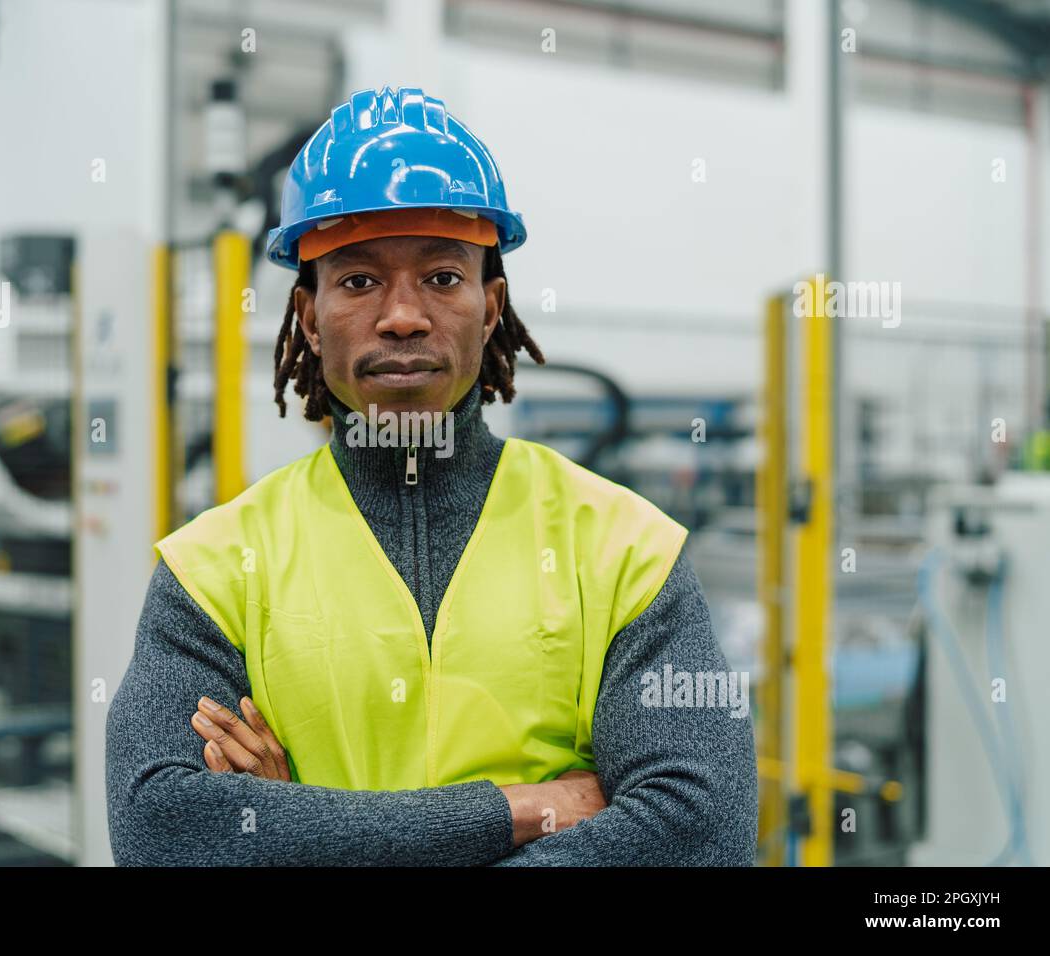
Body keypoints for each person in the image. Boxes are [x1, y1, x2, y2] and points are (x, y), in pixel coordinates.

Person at [105, 86, 757, 866]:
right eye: (357, 280)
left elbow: (701, 833)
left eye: (443, 277)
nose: (403, 315)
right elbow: (161, 830)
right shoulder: (213, 569)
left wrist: (299, 830)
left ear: (490, 307)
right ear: (309, 320)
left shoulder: (624, 551)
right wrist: (520, 809)